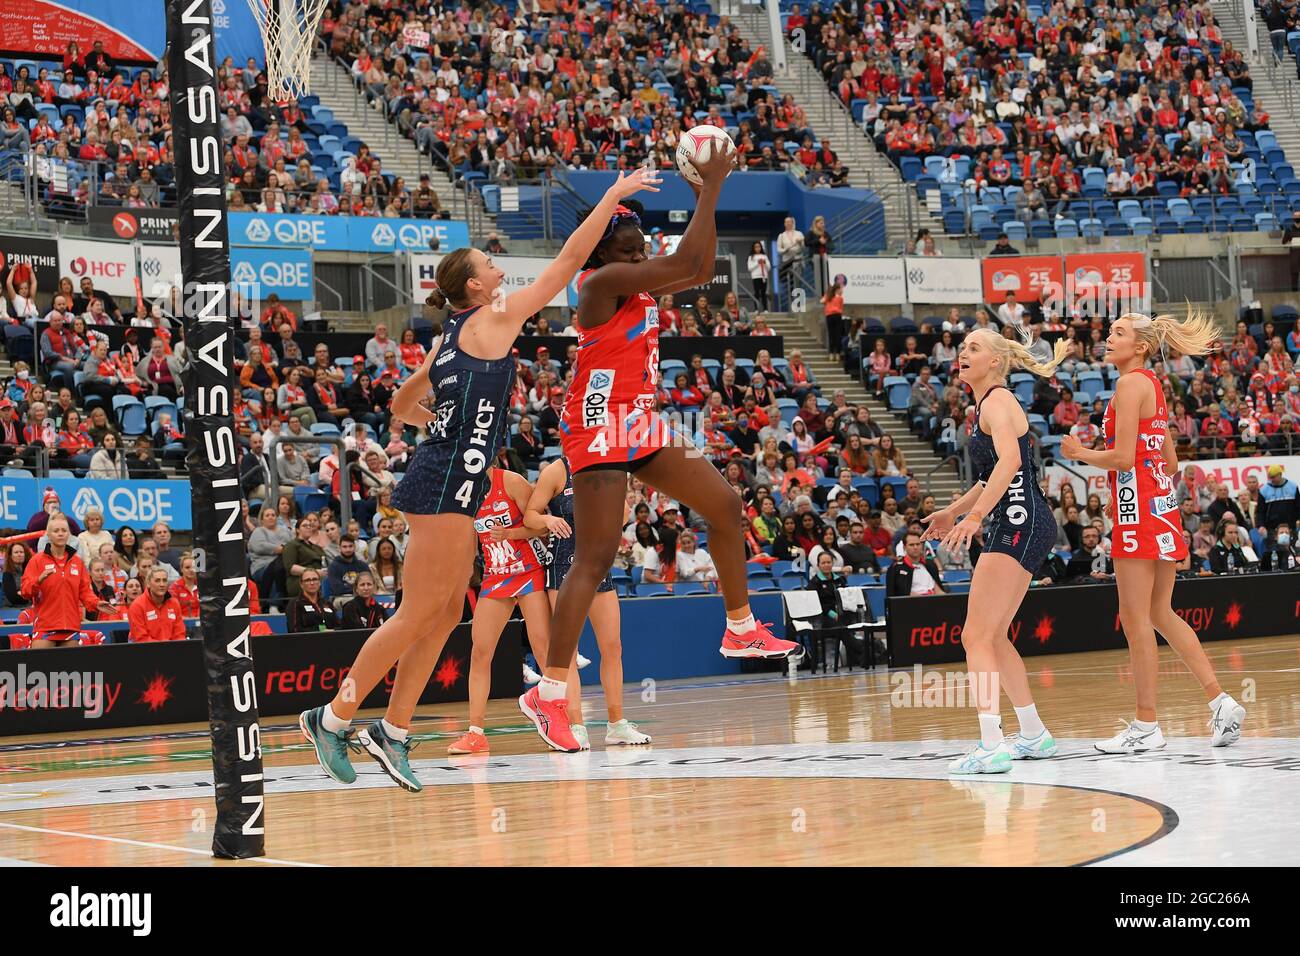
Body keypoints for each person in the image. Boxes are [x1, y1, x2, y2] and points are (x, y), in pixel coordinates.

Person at [298, 167, 663, 791]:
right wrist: (612, 197)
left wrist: (446, 423)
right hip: (441, 482)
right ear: (474, 283)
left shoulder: (451, 337)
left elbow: (401, 405)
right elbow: (571, 258)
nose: (500, 267)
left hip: (457, 483)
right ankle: (331, 719)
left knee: (442, 617)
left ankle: (394, 731)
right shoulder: (493, 317)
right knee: (419, 614)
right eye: (490, 262)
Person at [529, 148, 799, 751]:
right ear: (604, 253)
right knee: (594, 559)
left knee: (727, 507)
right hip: (598, 421)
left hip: (639, 418)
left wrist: (709, 191)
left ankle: (739, 627)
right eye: (628, 248)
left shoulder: (635, 281)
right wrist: (713, 186)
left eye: (639, 245)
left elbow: (694, 266)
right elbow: (694, 262)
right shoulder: (601, 282)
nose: (638, 253)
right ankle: (547, 694)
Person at [1061, 311, 1246, 753]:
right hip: (1160, 508)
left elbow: (1124, 457)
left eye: (1118, 333)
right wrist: (1124, 489)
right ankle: (1220, 703)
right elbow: (1169, 463)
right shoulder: (1153, 385)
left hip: (1139, 512)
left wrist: (1079, 452)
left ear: (1141, 345)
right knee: (1161, 613)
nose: (1108, 338)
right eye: (1110, 332)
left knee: (1136, 619)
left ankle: (1146, 725)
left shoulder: (1128, 385)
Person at [920, 327, 1069, 773]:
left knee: (974, 636)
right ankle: (1034, 735)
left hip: (1018, 522)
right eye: (963, 347)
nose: (963, 353)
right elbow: (992, 476)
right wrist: (953, 510)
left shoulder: (999, 401)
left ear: (997, 362)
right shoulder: (987, 405)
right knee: (994, 633)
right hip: (1029, 521)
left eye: (974, 348)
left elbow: (1008, 464)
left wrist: (976, 517)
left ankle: (991, 743)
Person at [516, 457, 649, 751]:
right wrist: (548, 519)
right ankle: (576, 726)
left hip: (597, 565)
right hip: (563, 567)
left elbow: (623, 514)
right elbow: (530, 517)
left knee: (613, 646)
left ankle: (617, 725)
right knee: (569, 654)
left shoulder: (607, 470)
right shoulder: (556, 471)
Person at [446, 466, 563, 754]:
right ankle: (475, 733)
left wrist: (510, 532)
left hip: (528, 570)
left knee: (544, 651)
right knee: (479, 652)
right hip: (495, 577)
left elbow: (540, 525)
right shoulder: (463, 493)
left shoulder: (510, 481)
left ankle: (562, 722)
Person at [20, 513, 113, 647]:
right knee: (38, 667)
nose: (60, 534)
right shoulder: (37, 561)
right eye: (56, 531)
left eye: (64, 530)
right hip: (45, 625)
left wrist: (96, 603)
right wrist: (38, 581)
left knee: (71, 668)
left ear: (69, 534)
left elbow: (85, 591)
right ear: (48, 535)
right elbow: (25, 591)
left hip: (70, 625)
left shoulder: (77, 562)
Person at [127, 567, 187, 642]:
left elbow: (179, 634)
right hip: (145, 650)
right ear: (148, 584)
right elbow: (141, 638)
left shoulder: (174, 603)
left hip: (172, 649)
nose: (162, 584)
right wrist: (162, 647)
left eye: (164, 580)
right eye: (157, 581)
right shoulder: (137, 606)